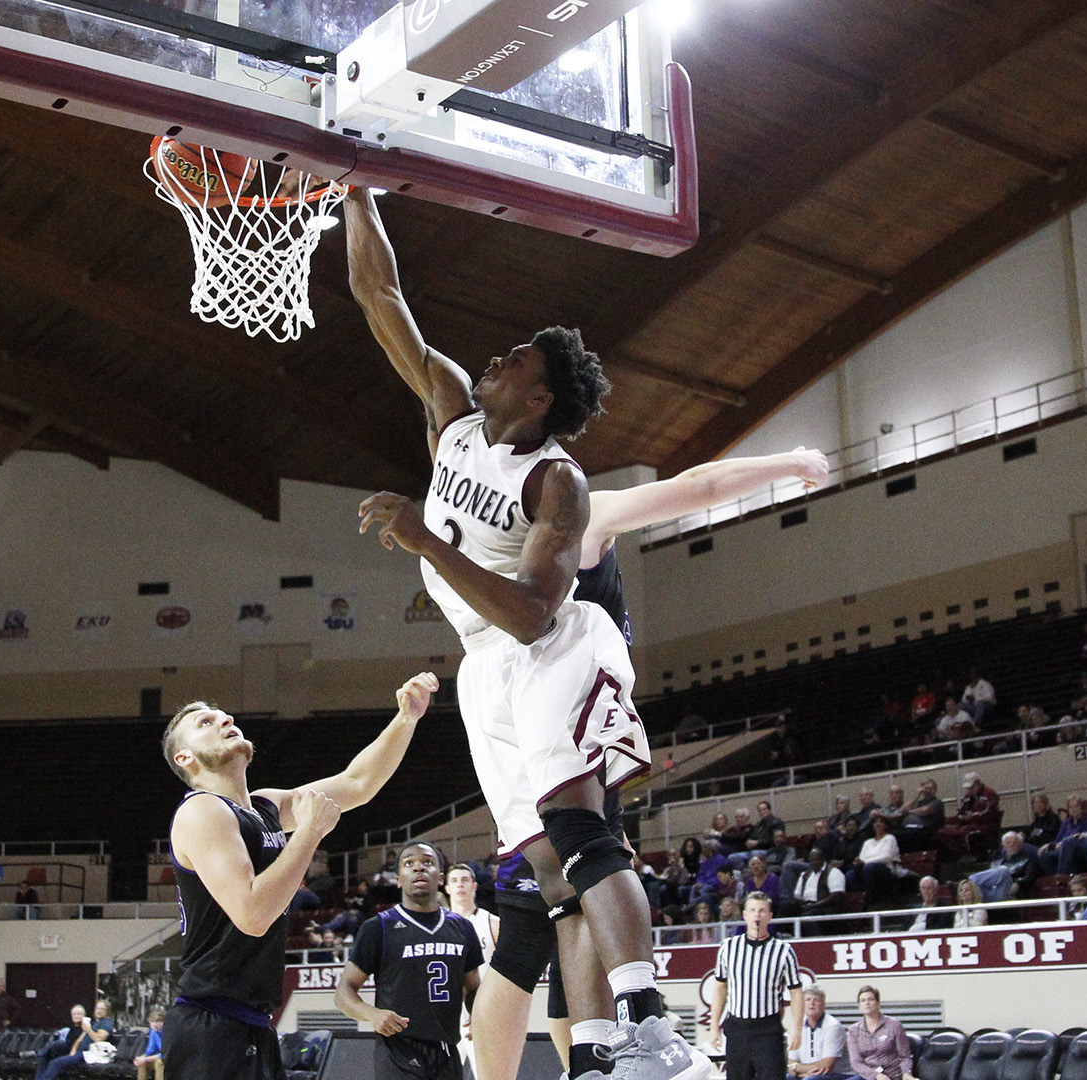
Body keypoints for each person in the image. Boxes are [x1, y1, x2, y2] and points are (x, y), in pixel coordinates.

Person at [347, 190, 706, 1080]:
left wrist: (422, 537)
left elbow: (536, 612)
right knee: (550, 881)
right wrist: (352, 189)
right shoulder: (452, 416)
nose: (494, 359)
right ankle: (594, 1060)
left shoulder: (558, 484)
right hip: (484, 664)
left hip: (552, 644)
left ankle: (654, 1029)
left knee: (582, 838)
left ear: (539, 396)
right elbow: (379, 298)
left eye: (514, 359)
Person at [160, 671, 437, 1080]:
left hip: (250, 1022)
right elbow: (253, 915)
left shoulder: (263, 806)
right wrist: (308, 833)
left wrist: (406, 720)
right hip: (210, 1023)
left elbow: (357, 783)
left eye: (222, 715)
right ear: (185, 759)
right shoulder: (203, 811)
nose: (223, 719)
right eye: (205, 722)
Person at [335, 844, 484, 1080]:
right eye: (409, 864)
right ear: (398, 880)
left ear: (441, 877)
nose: (418, 868)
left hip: (446, 1049)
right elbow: (344, 991)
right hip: (398, 1050)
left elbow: (473, 988)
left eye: (427, 862)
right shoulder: (378, 927)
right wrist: (371, 1014)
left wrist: (479, 1017)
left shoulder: (462, 928)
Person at [706, 895, 804, 1080]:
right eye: (752, 910)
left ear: (770, 916)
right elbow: (720, 988)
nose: (757, 915)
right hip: (737, 1028)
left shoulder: (783, 950)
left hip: (768, 1029)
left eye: (762, 910)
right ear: (744, 915)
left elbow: (796, 992)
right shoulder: (728, 947)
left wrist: (796, 1029)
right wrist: (713, 1027)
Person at [32, 1001, 114, 1080]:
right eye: (97, 1008)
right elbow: (79, 1039)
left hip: (87, 1053)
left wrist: (88, 1029)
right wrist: (73, 1050)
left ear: (107, 1011)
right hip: (78, 1052)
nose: (98, 1011)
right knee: (48, 1057)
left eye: (102, 1009)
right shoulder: (94, 1023)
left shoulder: (106, 1023)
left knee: (55, 1063)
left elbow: (98, 1039)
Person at [845, 986, 910, 1080]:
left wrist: (906, 1073)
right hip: (868, 1076)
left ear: (878, 1003)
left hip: (892, 1075)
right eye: (863, 1000)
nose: (867, 1003)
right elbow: (856, 1062)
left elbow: (905, 1056)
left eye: (871, 999)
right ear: (859, 1006)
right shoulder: (853, 1030)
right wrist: (876, 1075)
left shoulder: (894, 1025)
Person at [790, 986, 852, 1080]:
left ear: (823, 1005)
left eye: (816, 1000)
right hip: (807, 1075)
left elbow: (826, 1066)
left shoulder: (833, 1026)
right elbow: (790, 1062)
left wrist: (797, 1068)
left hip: (838, 1075)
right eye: (808, 1000)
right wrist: (800, 1073)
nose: (811, 1003)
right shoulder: (798, 1026)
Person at [446, 863, 497, 969]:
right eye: (454, 881)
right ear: (447, 889)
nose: (460, 884)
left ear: (474, 886)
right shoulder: (440, 925)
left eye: (465, 880)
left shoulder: (492, 923)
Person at [968, 831, 1041, 903]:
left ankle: (971, 880)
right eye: (1008, 842)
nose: (1012, 844)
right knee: (976, 889)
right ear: (1003, 846)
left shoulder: (1027, 861)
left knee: (1004, 870)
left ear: (1021, 845)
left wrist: (1018, 882)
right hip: (992, 893)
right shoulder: (997, 863)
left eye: (1015, 842)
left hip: (1009, 894)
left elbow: (1029, 877)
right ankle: (971, 885)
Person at [131, 1009, 164, 1080]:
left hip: (168, 1059)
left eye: (158, 1021)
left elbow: (164, 1053)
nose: (155, 1024)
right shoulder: (153, 1032)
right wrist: (142, 1058)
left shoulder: (167, 1032)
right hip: (158, 1057)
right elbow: (150, 1050)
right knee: (142, 1064)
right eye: (152, 1021)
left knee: (159, 1062)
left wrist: (146, 1059)